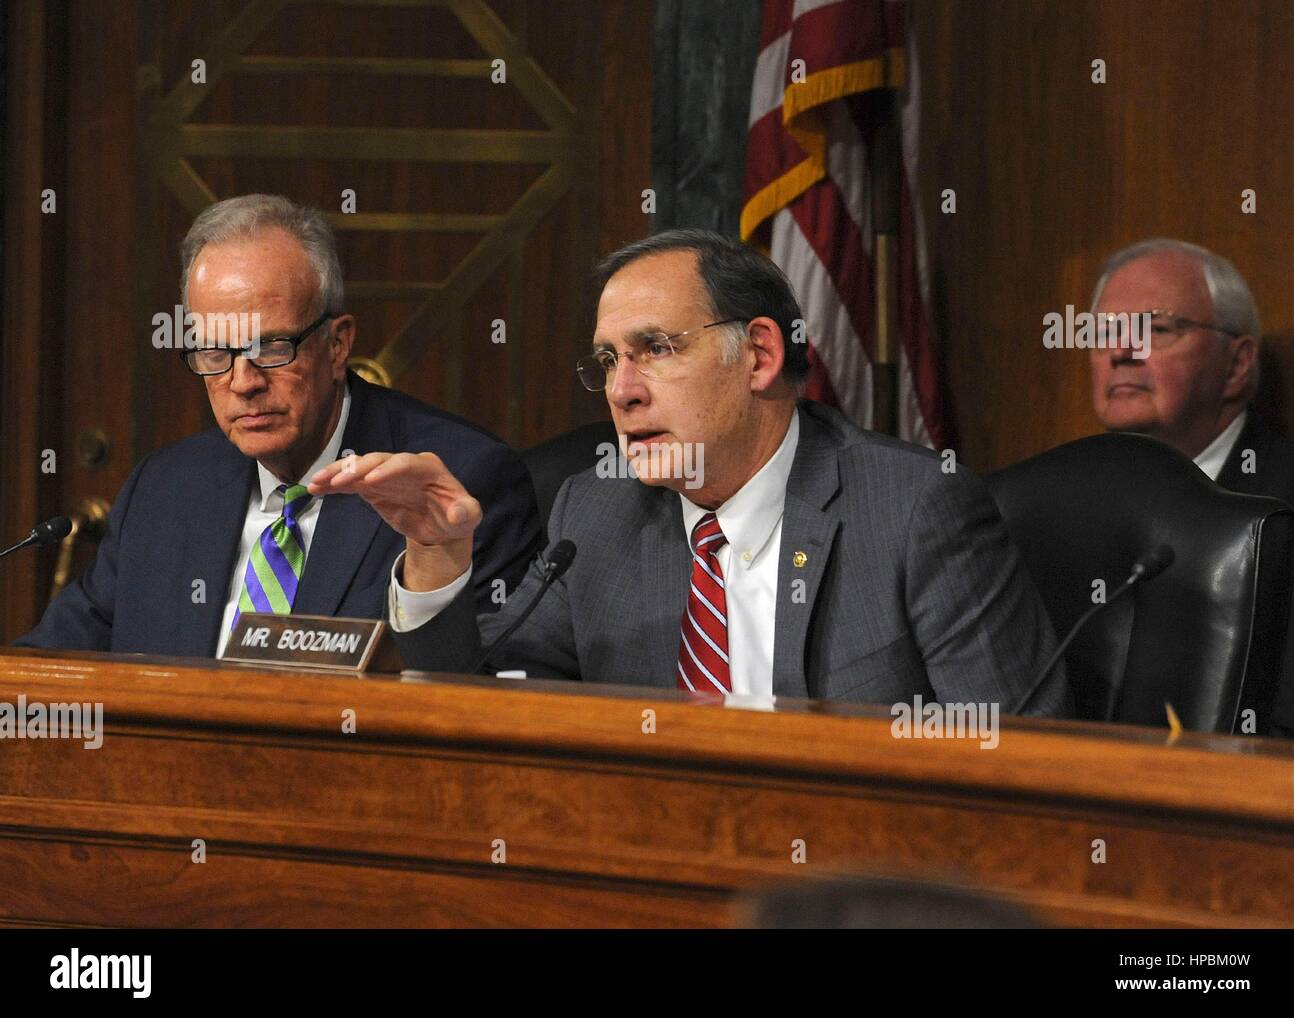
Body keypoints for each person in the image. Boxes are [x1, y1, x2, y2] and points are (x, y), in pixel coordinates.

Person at [321, 229, 1070, 715]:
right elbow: (471, 701)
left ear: (761, 355)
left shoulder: (913, 511)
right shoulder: (598, 513)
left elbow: (1021, 766)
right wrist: (436, 555)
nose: (621, 389)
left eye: (656, 348)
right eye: (609, 360)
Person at [15, 194, 540, 656]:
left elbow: (474, 693)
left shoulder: (456, 484)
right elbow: (49, 667)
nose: (242, 382)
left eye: (269, 346)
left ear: (338, 346)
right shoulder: (164, 489)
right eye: (214, 351)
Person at [1089, 237, 1294, 736]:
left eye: (1156, 329)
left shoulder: (1289, 497)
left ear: (1237, 365)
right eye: (1103, 332)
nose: (1121, 351)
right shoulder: (1054, 506)